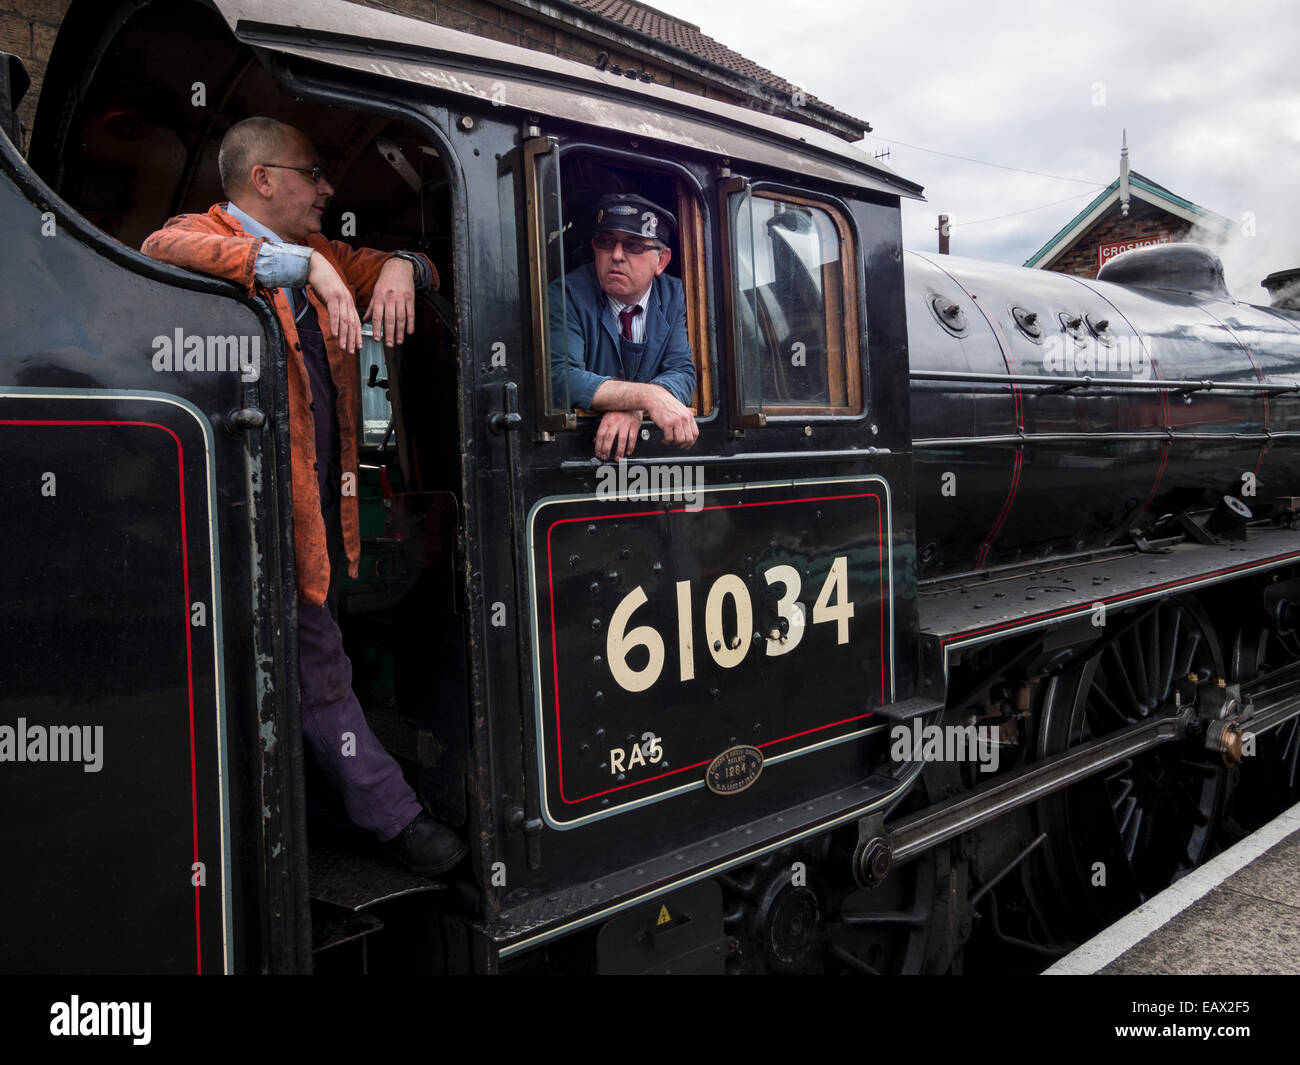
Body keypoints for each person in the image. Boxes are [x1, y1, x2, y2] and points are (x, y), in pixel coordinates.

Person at [142, 117, 466, 878]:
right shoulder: (209, 234)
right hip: (247, 522)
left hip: (323, 512)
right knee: (319, 668)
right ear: (263, 179)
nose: (327, 189)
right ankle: (397, 820)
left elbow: (422, 266)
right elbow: (160, 250)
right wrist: (293, 268)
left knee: (325, 655)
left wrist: (397, 271)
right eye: (313, 173)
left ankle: (319, 797)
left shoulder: (330, 253)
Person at [549, 193, 700, 460]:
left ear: (662, 261)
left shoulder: (674, 294)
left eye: (634, 246)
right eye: (606, 242)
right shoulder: (567, 293)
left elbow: (683, 371)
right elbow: (561, 377)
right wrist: (649, 398)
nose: (616, 255)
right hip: (576, 457)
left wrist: (633, 406)